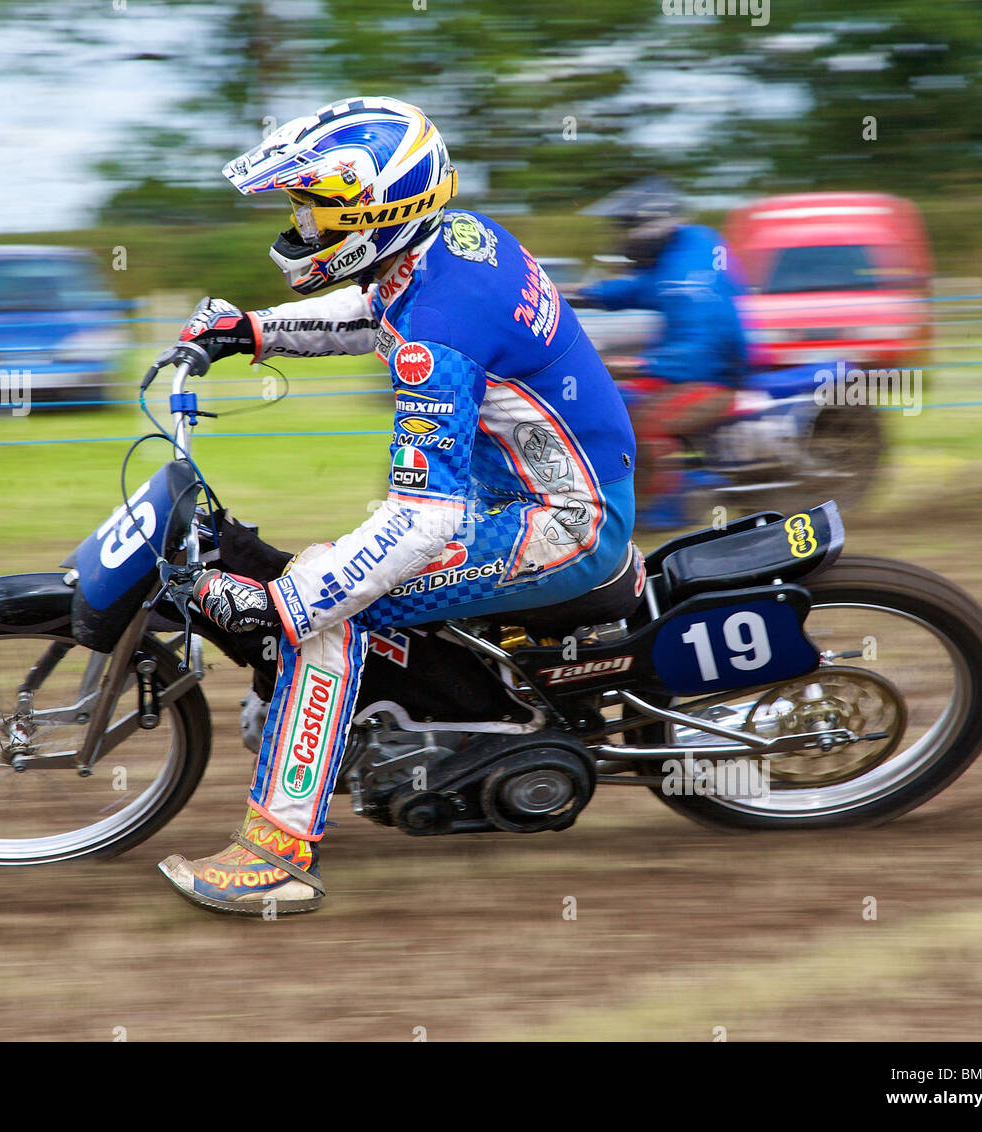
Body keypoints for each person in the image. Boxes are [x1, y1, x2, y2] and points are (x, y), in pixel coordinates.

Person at [156, 96, 638, 916]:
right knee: (331, 588)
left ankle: (276, 853)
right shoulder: (451, 242)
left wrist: (287, 603)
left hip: (562, 523)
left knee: (328, 614)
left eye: (313, 208)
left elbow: (425, 519)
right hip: (539, 492)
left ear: (376, 211)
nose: (301, 226)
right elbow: (375, 309)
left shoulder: (434, 344)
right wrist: (255, 331)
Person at [573, 179, 748, 528]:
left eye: (626, 228)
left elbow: (699, 350)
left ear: (650, 226)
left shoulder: (687, 277)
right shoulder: (682, 252)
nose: (622, 238)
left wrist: (639, 364)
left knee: (641, 422)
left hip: (712, 381)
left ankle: (664, 510)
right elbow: (640, 289)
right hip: (686, 374)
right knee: (613, 401)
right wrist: (578, 295)